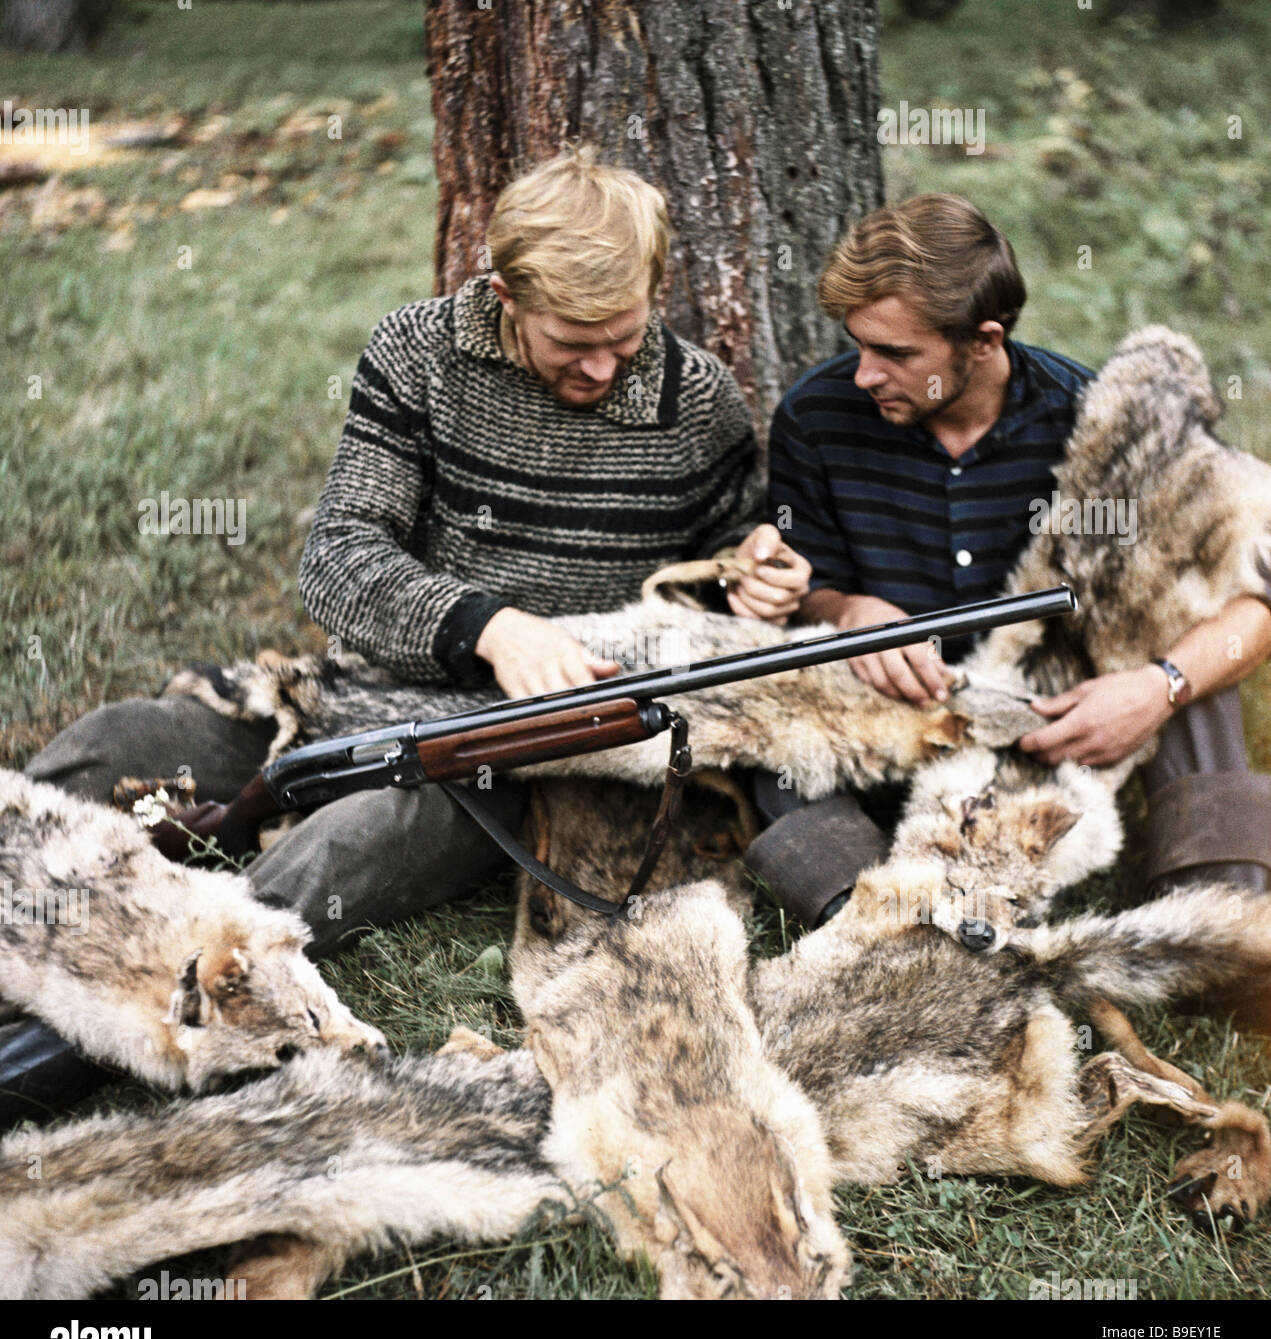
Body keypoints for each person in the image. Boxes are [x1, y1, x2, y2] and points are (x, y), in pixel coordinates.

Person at [8, 148, 809, 1119]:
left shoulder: (699, 401)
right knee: (109, 747)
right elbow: (339, 556)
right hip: (356, 688)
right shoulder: (418, 354)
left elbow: (727, 552)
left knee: (335, 855)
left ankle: (95, 1033)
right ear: (508, 293)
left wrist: (756, 577)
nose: (601, 365)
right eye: (572, 340)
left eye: (624, 336)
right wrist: (489, 628)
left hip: (514, 750)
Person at [746, 192, 1271, 929]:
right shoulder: (814, 417)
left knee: (1195, 673)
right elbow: (808, 585)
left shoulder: (1099, 423)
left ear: (983, 340)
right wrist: (847, 611)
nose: (864, 374)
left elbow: (1255, 601)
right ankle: (871, 920)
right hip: (899, 716)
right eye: (857, 345)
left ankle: (1223, 921)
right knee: (766, 685)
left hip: (1064, 718)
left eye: (894, 354)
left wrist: (1159, 688)